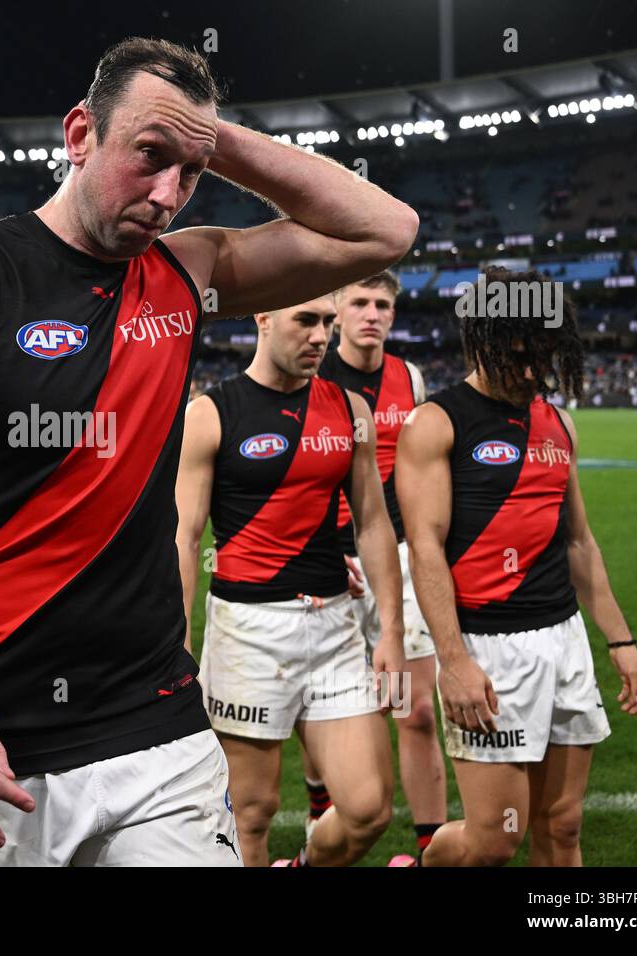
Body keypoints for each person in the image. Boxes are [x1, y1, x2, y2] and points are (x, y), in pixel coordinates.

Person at [0, 37, 417, 867]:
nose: (167, 196)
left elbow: (386, 227)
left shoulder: (187, 270)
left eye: (189, 173)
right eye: (149, 156)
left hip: (157, 729)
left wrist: (207, 136)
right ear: (81, 133)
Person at [396, 268, 637, 867]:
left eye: (544, 354)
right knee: (493, 842)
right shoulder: (436, 423)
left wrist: (621, 639)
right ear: (483, 340)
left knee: (562, 826)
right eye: (519, 355)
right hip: (488, 648)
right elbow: (426, 549)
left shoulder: (559, 423)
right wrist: (454, 662)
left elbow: (580, 543)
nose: (535, 371)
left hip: (563, 640)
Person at [175, 295, 405, 866]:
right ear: (264, 318)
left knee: (368, 809)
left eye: (328, 322)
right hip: (248, 632)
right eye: (306, 320)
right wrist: (175, 645)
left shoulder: (349, 410)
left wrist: (393, 633)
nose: (321, 336)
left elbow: (374, 522)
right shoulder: (210, 413)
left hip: (334, 625)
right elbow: (182, 538)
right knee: (250, 814)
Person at [317, 271, 447, 862]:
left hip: (395, 556)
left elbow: (422, 473)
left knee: (416, 710)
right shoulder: (314, 371)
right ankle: (322, 825)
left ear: (394, 314)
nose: (372, 314)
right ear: (338, 312)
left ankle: (427, 848)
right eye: (360, 303)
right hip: (328, 560)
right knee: (328, 704)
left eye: (383, 305)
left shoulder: (409, 379)